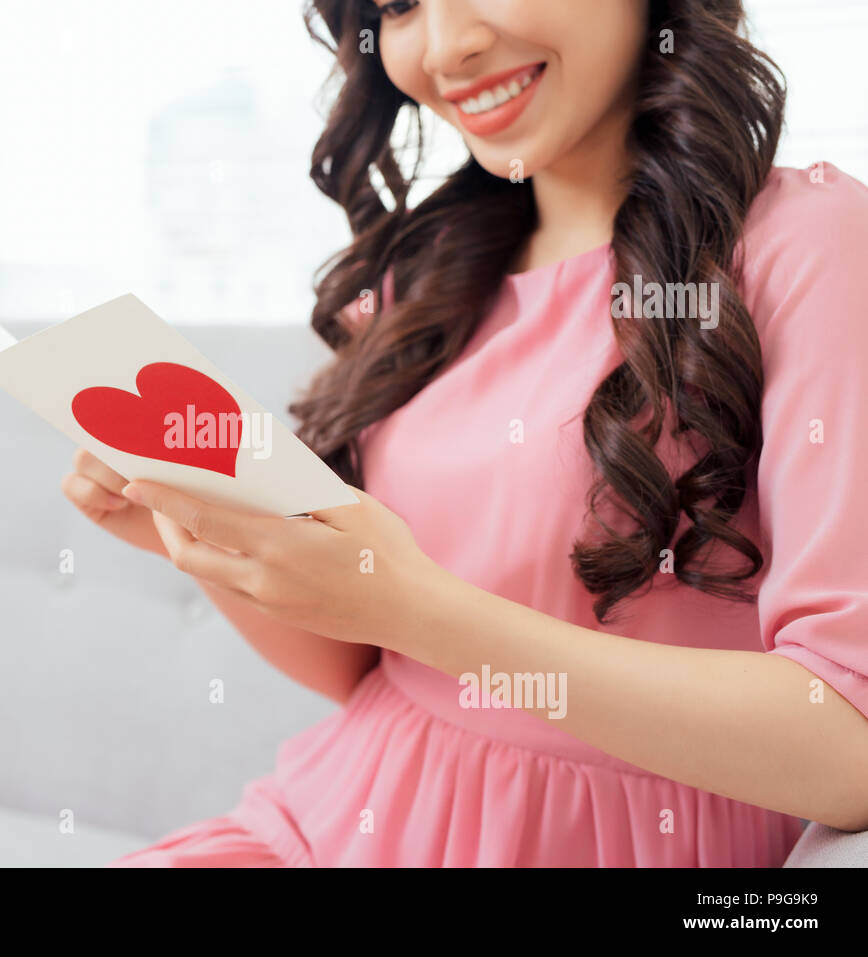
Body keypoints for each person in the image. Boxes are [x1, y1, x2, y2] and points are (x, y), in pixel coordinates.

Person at [62, 0, 868, 866]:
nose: (449, 46)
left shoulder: (809, 242)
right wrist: (200, 532)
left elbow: (848, 745)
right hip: (329, 820)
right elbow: (373, 667)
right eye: (398, 5)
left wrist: (417, 606)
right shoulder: (435, 268)